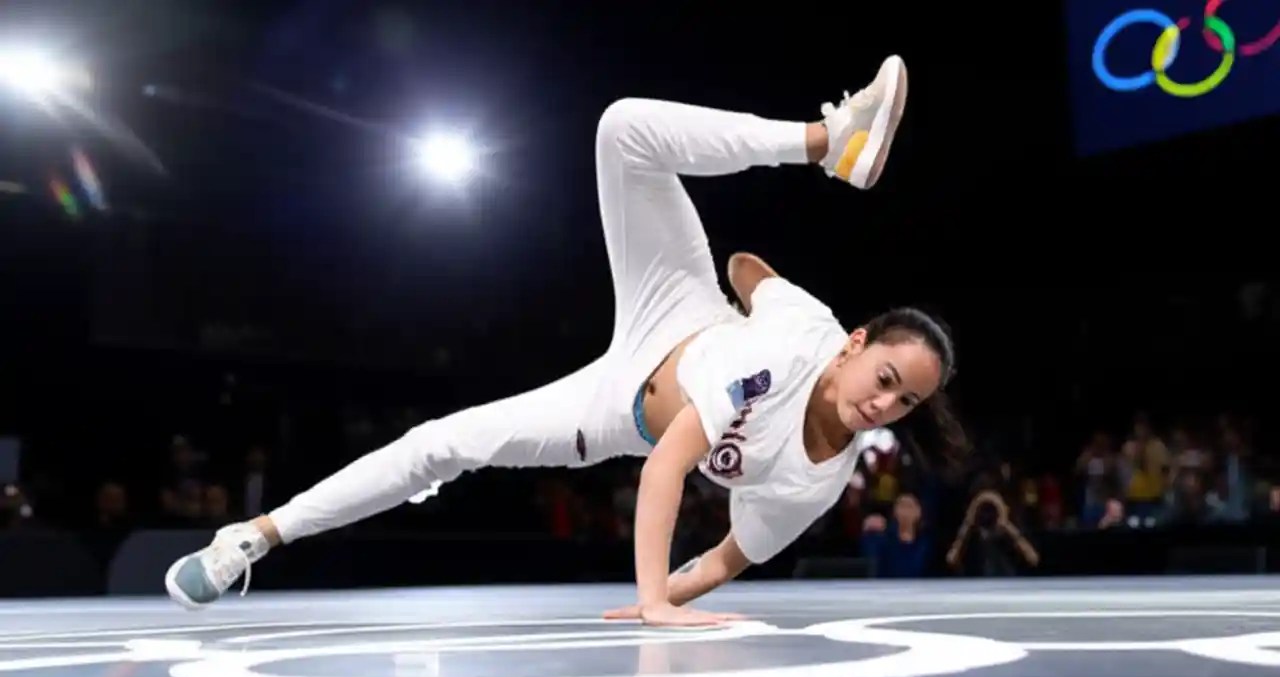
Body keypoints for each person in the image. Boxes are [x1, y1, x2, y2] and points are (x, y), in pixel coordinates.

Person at [165, 54, 967, 626]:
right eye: (886, 376)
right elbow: (736, 286)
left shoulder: (818, 482)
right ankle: (828, 141)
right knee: (624, 130)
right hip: (680, 311)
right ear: (854, 344)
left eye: (906, 401)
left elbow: (728, 557)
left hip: (618, 409)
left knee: (444, 443)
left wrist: (663, 598)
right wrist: (652, 599)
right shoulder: (788, 348)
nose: (885, 404)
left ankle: (252, 539)